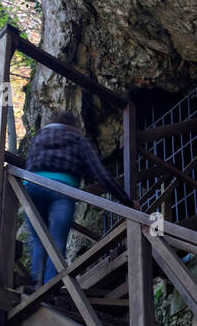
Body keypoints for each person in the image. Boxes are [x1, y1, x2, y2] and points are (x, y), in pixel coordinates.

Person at [21, 111, 133, 288]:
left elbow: (29, 164)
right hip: (63, 188)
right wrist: (127, 201)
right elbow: (100, 173)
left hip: (33, 186)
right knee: (57, 239)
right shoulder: (77, 139)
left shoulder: (40, 138)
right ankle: (51, 284)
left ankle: (37, 283)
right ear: (74, 125)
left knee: (38, 239)